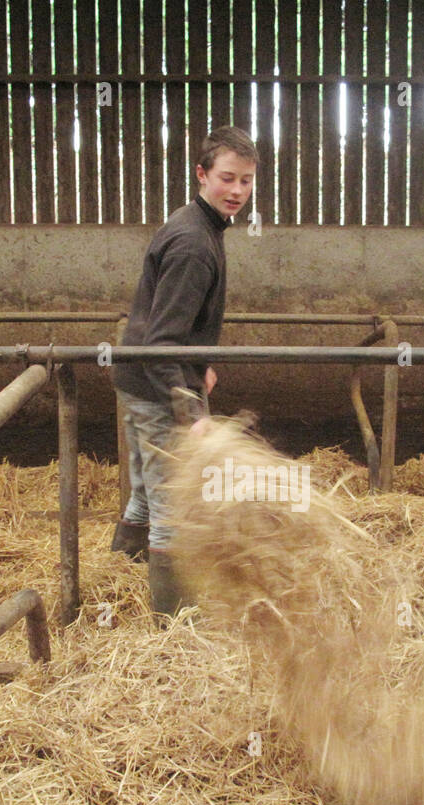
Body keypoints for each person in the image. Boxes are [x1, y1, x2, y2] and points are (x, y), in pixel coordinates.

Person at [110, 126, 258, 617]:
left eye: (247, 181)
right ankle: (172, 626)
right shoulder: (194, 243)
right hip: (156, 385)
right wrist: (191, 408)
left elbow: (169, 323)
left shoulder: (200, 226)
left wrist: (201, 364)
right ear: (201, 174)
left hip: (142, 377)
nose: (237, 191)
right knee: (173, 502)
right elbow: (161, 340)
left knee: (146, 490)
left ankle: (120, 578)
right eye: (227, 178)